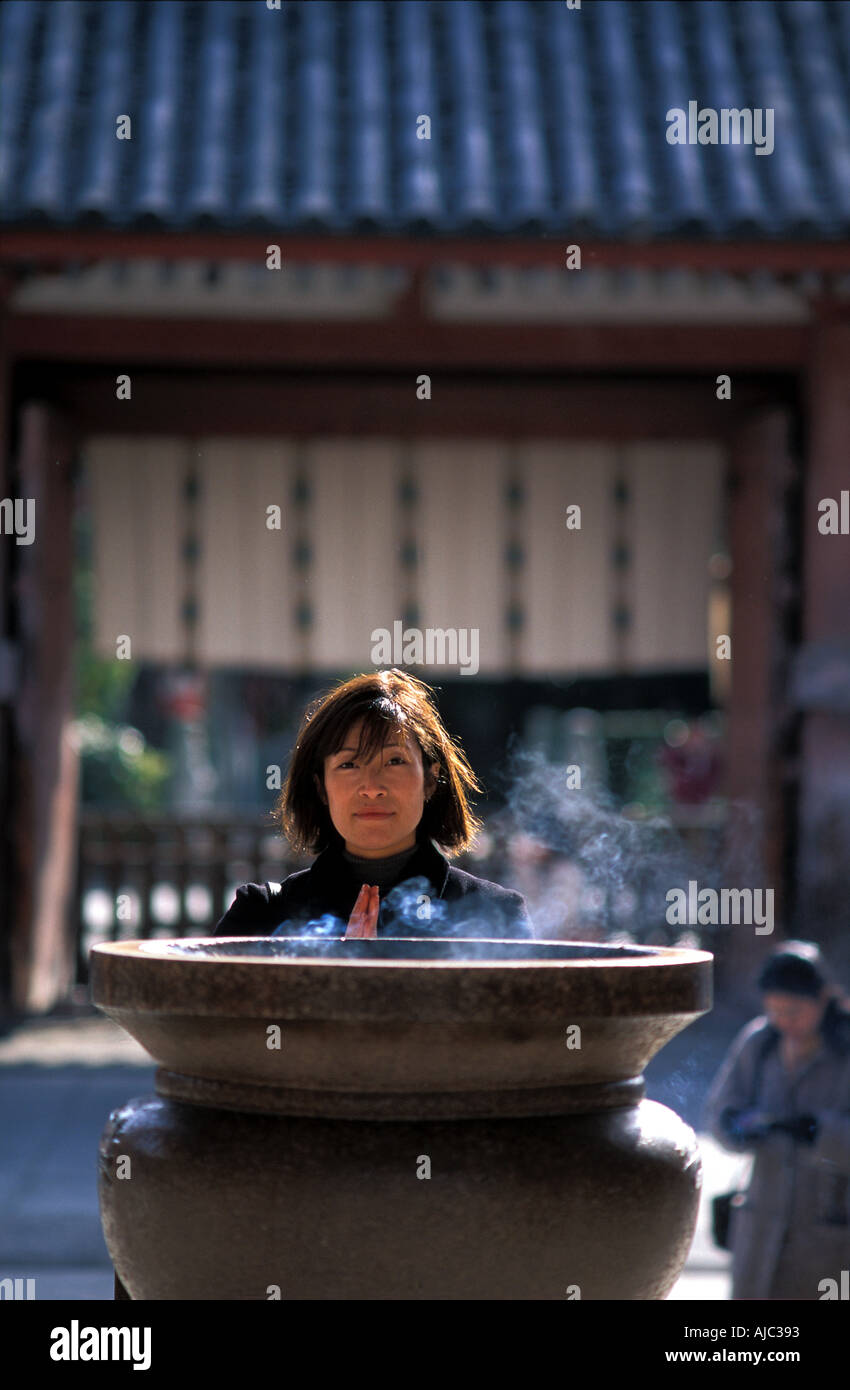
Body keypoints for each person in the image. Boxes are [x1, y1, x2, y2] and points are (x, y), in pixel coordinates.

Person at [215, 668, 532, 940]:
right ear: (321, 787)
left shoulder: (496, 916)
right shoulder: (263, 916)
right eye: (349, 765)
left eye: (394, 760)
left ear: (431, 780)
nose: (371, 788)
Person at [703, 941, 850, 1299]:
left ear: (823, 999)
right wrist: (738, 1126)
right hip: (758, 1229)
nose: (784, 1021)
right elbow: (719, 1111)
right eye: (775, 1011)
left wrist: (818, 1131)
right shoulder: (759, 1043)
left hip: (828, 1236)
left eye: (794, 1011)